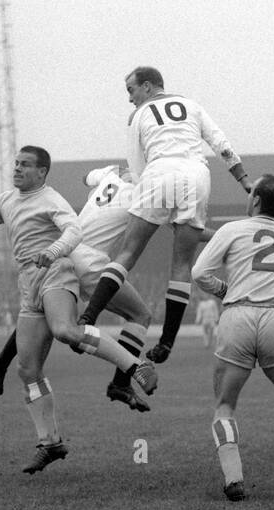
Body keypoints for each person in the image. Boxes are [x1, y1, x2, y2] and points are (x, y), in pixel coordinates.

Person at [0, 146, 159, 474]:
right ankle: (51, 443)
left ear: (42, 172)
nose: (17, 170)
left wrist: (54, 250)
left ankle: (134, 366)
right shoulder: (5, 200)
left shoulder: (51, 199)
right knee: (27, 370)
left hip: (58, 271)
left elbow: (74, 231)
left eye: (26, 165)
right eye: (16, 164)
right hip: (29, 285)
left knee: (64, 330)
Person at [78, 66, 253, 366]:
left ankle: (89, 315)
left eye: (131, 90)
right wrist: (244, 180)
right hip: (195, 174)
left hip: (158, 172)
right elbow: (220, 142)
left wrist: (151, 196)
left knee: (128, 253)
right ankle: (167, 342)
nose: (130, 98)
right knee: (182, 263)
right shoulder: (192, 105)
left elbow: (135, 166)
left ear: (147, 87)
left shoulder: (139, 116)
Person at [0, 163, 156, 412]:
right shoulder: (144, 193)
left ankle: (1, 362)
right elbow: (183, 228)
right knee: (140, 315)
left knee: (41, 312)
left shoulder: (111, 173)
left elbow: (85, 177)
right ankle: (121, 382)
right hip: (91, 261)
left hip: (66, 248)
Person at [191, 175, 274, 501]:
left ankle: (234, 480)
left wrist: (226, 292)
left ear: (257, 201)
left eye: (251, 192)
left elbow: (199, 274)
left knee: (224, 405)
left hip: (237, 316)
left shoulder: (231, 230)